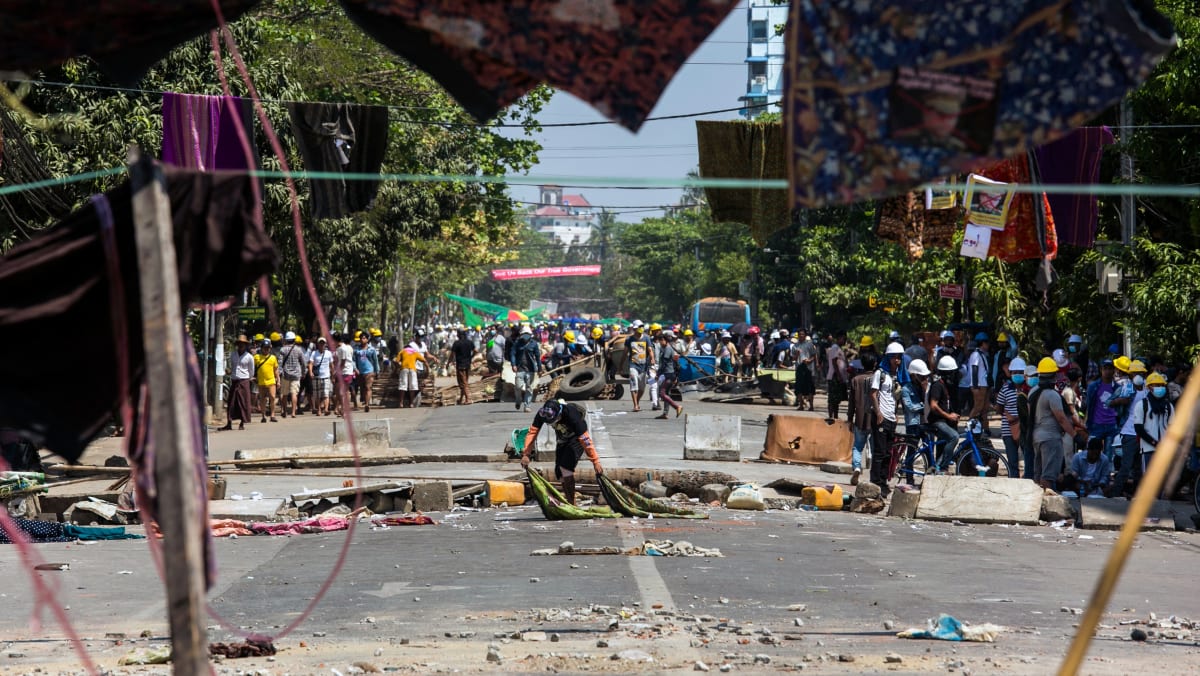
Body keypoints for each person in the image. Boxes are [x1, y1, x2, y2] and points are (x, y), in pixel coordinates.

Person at [519, 399, 604, 506]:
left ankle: (572, 503)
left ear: (559, 414)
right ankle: (569, 502)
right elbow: (533, 432)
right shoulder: (543, 414)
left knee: (566, 468)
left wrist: (595, 461)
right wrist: (526, 454)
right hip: (562, 439)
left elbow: (585, 440)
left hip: (576, 439)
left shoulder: (572, 416)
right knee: (559, 472)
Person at [1030, 357, 1076, 491]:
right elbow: (1061, 419)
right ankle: (1048, 506)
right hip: (1050, 439)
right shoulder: (1052, 395)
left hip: (1036, 437)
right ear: (1054, 375)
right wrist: (1073, 434)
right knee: (1048, 476)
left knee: (1038, 475)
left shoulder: (1033, 391)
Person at [1110, 359, 1148, 496]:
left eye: (1140, 373)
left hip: (1144, 432)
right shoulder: (1126, 388)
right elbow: (1109, 403)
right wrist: (1121, 401)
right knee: (1126, 466)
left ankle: (1136, 494)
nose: (1137, 375)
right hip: (1129, 431)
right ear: (1131, 375)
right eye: (1134, 373)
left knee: (1138, 468)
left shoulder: (1149, 388)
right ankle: (1115, 493)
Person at [1131, 372, 1174, 493]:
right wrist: (1155, 443)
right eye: (1156, 385)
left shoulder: (1168, 407)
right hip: (1148, 449)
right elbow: (1139, 428)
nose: (1160, 387)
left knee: (1162, 481)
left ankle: (1159, 506)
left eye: (1161, 385)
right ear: (1149, 387)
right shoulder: (1142, 405)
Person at [868, 343, 903, 495]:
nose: (897, 361)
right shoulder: (880, 374)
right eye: (895, 358)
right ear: (888, 358)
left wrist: (895, 414)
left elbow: (894, 397)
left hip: (891, 418)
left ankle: (884, 481)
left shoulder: (895, 376)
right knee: (879, 452)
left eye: (899, 358)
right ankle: (876, 482)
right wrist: (878, 413)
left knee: (889, 453)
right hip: (881, 417)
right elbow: (873, 394)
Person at [846, 355, 876, 486]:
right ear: (874, 364)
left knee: (858, 446)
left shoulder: (855, 380)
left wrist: (849, 419)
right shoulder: (878, 378)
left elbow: (851, 402)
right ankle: (874, 472)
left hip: (859, 418)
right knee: (875, 447)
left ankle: (857, 467)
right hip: (875, 418)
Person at [994, 357, 1025, 478]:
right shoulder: (1005, 389)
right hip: (1008, 429)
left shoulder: (1027, 389)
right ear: (1010, 373)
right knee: (1012, 460)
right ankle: (1014, 480)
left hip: (1024, 429)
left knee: (1028, 457)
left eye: (1020, 372)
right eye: (1015, 372)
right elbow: (999, 408)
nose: (1017, 375)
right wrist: (1010, 418)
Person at [1086, 358, 1121, 463]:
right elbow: (1089, 404)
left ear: (1114, 370)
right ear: (1101, 370)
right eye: (1105, 368)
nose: (1107, 371)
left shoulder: (1118, 388)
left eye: (1110, 368)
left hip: (1112, 424)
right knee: (1092, 453)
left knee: (1109, 456)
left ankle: (1106, 476)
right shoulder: (1093, 386)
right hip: (1097, 424)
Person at [928, 356, 961, 457]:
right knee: (954, 437)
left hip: (945, 420)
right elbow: (933, 406)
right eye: (952, 373)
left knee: (945, 442)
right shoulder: (937, 386)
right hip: (937, 421)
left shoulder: (947, 386)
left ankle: (941, 463)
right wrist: (948, 416)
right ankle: (942, 465)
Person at [220, 335, 254, 430]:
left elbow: (251, 371)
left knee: (243, 402)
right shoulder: (233, 354)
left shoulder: (249, 357)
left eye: (243, 344)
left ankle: (242, 423)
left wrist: (247, 378)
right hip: (234, 381)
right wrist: (229, 371)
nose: (241, 346)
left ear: (246, 345)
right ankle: (229, 422)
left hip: (244, 381)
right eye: (239, 344)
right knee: (231, 402)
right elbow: (232, 367)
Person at [653, 331, 684, 419]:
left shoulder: (667, 349)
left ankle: (677, 407)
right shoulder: (665, 348)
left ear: (666, 340)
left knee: (662, 393)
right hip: (669, 374)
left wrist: (658, 374)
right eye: (659, 340)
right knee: (666, 393)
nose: (660, 342)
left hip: (669, 374)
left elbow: (664, 364)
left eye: (662, 340)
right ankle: (665, 413)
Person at [511, 325, 542, 412]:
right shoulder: (517, 343)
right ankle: (518, 400)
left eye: (527, 334)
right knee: (518, 387)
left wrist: (539, 369)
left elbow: (537, 356)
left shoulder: (534, 344)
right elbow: (513, 353)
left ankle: (527, 406)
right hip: (520, 369)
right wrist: (513, 364)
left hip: (531, 370)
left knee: (529, 388)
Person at [278, 331, 308, 418]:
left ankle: (284, 411)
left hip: (285, 374)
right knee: (294, 393)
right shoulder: (299, 350)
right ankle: (293, 412)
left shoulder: (282, 349)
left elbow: (280, 362)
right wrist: (303, 373)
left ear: (286, 340)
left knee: (284, 394)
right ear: (294, 340)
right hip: (296, 374)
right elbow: (304, 362)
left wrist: (279, 373)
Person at [1017, 362, 1038, 480]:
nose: (1034, 378)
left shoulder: (1037, 392)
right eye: (1031, 376)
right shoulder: (1022, 396)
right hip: (1027, 436)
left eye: (1036, 376)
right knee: (1029, 465)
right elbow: (1027, 418)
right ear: (1025, 377)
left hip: (1038, 435)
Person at [627, 321, 654, 412]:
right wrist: (621, 364)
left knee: (642, 388)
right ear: (634, 329)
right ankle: (635, 405)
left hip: (643, 366)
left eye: (641, 327)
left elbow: (650, 350)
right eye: (638, 327)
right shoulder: (629, 339)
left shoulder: (646, 338)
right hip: (633, 365)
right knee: (634, 385)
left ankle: (637, 402)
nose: (640, 328)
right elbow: (625, 352)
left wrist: (652, 358)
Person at [965, 332, 991, 424]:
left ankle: (984, 427)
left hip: (983, 384)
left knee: (984, 407)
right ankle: (969, 425)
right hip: (979, 384)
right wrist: (975, 386)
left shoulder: (982, 354)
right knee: (978, 407)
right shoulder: (976, 354)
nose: (988, 345)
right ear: (982, 343)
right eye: (986, 343)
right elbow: (974, 369)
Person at [901, 358, 930, 437]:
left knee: (928, 446)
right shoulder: (906, 389)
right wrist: (924, 408)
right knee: (912, 447)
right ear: (913, 376)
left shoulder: (928, 387)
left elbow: (932, 403)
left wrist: (926, 391)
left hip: (927, 422)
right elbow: (910, 407)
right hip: (913, 423)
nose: (924, 379)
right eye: (921, 376)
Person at [254, 337, 280, 423]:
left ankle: (272, 415)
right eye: (265, 348)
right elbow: (252, 367)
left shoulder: (273, 358)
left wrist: (278, 380)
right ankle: (263, 415)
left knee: (272, 397)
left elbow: (276, 370)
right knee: (262, 399)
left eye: (268, 348)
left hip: (271, 381)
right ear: (261, 348)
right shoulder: (257, 357)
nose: (266, 349)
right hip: (261, 382)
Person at [397, 339, 428, 409]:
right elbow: (424, 360)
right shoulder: (415, 352)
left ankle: (401, 403)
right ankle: (411, 403)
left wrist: (398, 367)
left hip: (404, 368)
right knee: (412, 386)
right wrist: (427, 368)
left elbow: (396, 361)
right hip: (413, 369)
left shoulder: (402, 351)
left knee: (402, 386)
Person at [825, 331, 849, 420]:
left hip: (839, 376)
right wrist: (838, 375)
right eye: (844, 339)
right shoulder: (835, 348)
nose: (845, 341)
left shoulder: (839, 348)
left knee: (837, 398)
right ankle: (831, 416)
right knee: (833, 398)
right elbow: (834, 362)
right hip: (834, 376)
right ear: (838, 338)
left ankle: (835, 416)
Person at [354, 331, 380, 412]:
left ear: (367, 339)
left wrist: (377, 371)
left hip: (370, 371)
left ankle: (367, 404)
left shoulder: (371, 350)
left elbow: (375, 361)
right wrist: (355, 369)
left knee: (368, 387)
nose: (362, 340)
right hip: (360, 372)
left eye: (364, 338)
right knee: (363, 388)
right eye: (361, 338)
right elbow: (353, 360)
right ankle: (365, 401)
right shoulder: (357, 350)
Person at [309, 336, 334, 416]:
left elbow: (331, 365)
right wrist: (310, 372)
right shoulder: (314, 353)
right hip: (317, 377)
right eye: (320, 343)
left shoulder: (328, 353)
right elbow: (311, 363)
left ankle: (326, 409)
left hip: (326, 376)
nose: (322, 345)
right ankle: (319, 409)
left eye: (323, 343)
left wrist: (333, 375)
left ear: (325, 344)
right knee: (317, 395)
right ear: (318, 344)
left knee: (326, 394)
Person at [793, 328, 817, 412]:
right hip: (799, 367)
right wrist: (796, 354)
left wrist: (809, 361)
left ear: (805, 335)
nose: (801, 336)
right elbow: (793, 358)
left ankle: (811, 406)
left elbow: (814, 355)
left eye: (802, 334)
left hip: (809, 368)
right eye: (799, 334)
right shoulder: (795, 346)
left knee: (810, 387)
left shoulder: (810, 345)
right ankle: (801, 405)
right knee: (799, 387)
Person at [450, 329, 476, 405]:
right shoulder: (469, 342)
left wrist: (448, 363)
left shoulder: (456, 343)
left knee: (463, 382)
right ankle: (461, 399)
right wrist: (471, 357)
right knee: (464, 382)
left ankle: (468, 399)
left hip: (460, 365)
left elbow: (452, 354)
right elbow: (476, 351)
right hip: (468, 364)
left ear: (458, 335)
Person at [334, 332, 356, 415]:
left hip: (346, 371)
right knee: (338, 391)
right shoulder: (338, 348)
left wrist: (337, 372)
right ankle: (342, 407)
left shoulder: (344, 348)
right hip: (341, 371)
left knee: (344, 391)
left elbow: (343, 362)